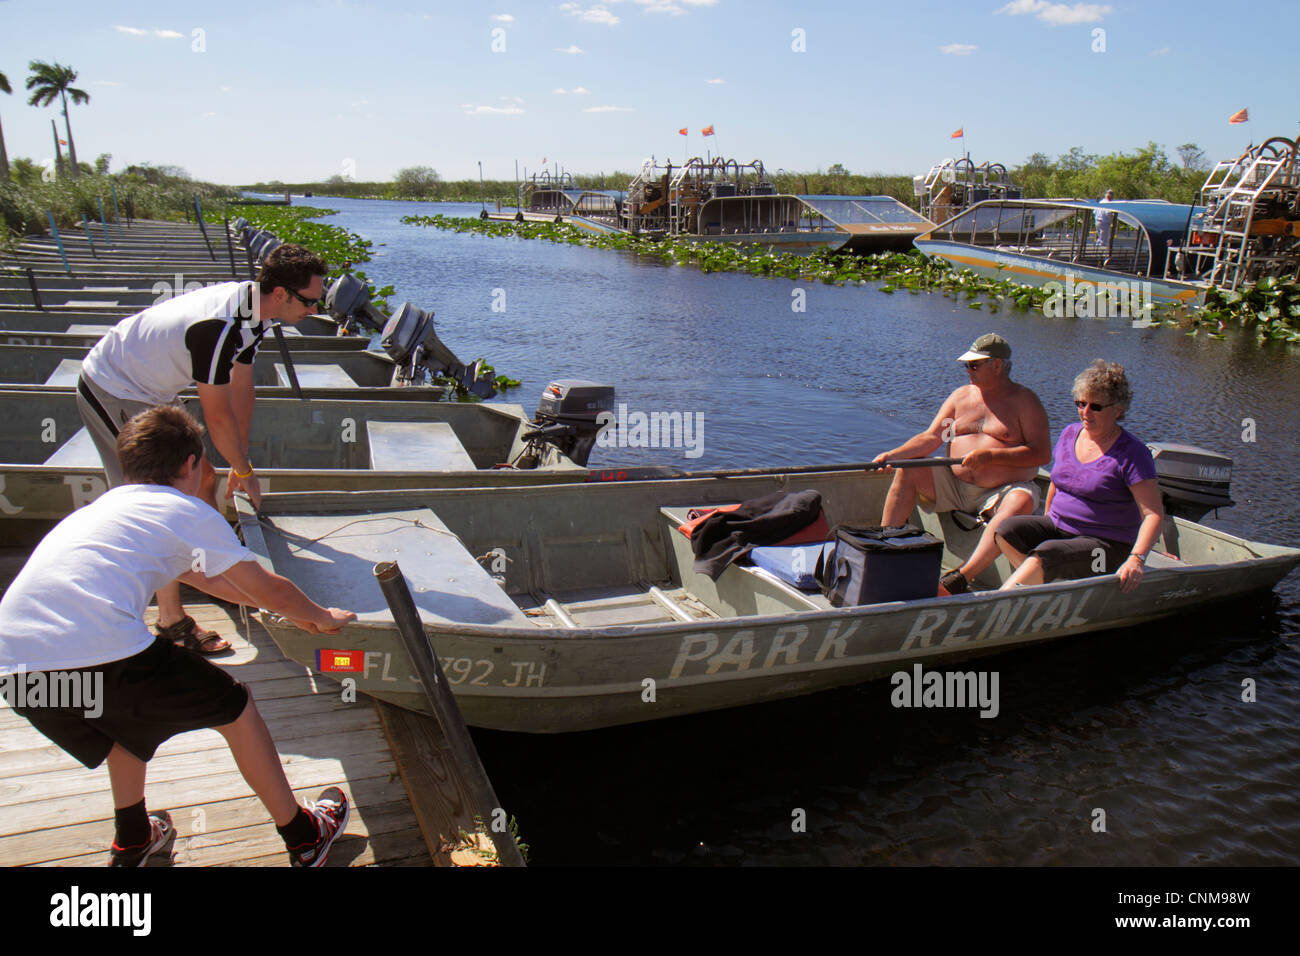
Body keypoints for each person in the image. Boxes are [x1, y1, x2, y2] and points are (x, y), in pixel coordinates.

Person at [0, 406, 357, 867]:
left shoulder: (108, 507)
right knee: (236, 708)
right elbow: (267, 587)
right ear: (191, 464)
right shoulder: (183, 508)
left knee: (122, 726)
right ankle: (305, 835)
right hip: (102, 655)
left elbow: (205, 578)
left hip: (20, 674)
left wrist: (291, 613)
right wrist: (321, 616)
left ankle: (132, 839)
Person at [76, 244, 327, 655]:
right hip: (113, 387)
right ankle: (171, 620)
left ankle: (215, 565)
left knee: (205, 477)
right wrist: (243, 469)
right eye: (310, 301)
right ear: (281, 294)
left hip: (152, 390)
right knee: (157, 503)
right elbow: (216, 415)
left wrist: (237, 464)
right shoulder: (220, 326)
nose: (314, 310)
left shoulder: (255, 314)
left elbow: (242, 391)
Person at [872, 333, 1052, 595]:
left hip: (1001, 490)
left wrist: (992, 457)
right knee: (908, 469)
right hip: (954, 484)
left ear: (997, 366)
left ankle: (962, 577)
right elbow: (933, 437)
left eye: (974, 365)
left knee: (1022, 500)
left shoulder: (1025, 401)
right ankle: (884, 549)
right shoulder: (961, 397)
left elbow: (1041, 454)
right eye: (966, 365)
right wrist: (893, 454)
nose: (968, 370)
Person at [995, 360, 1164, 591]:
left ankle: (1003, 602)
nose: (1085, 412)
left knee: (1047, 555)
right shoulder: (1069, 434)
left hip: (1106, 548)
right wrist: (1048, 521)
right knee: (1006, 531)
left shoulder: (1133, 453)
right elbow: (1056, 481)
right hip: (1061, 529)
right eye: (1081, 403)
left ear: (1118, 409)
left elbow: (1153, 514)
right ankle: (1042, 591)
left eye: (1095, 407)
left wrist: (1136, 558)